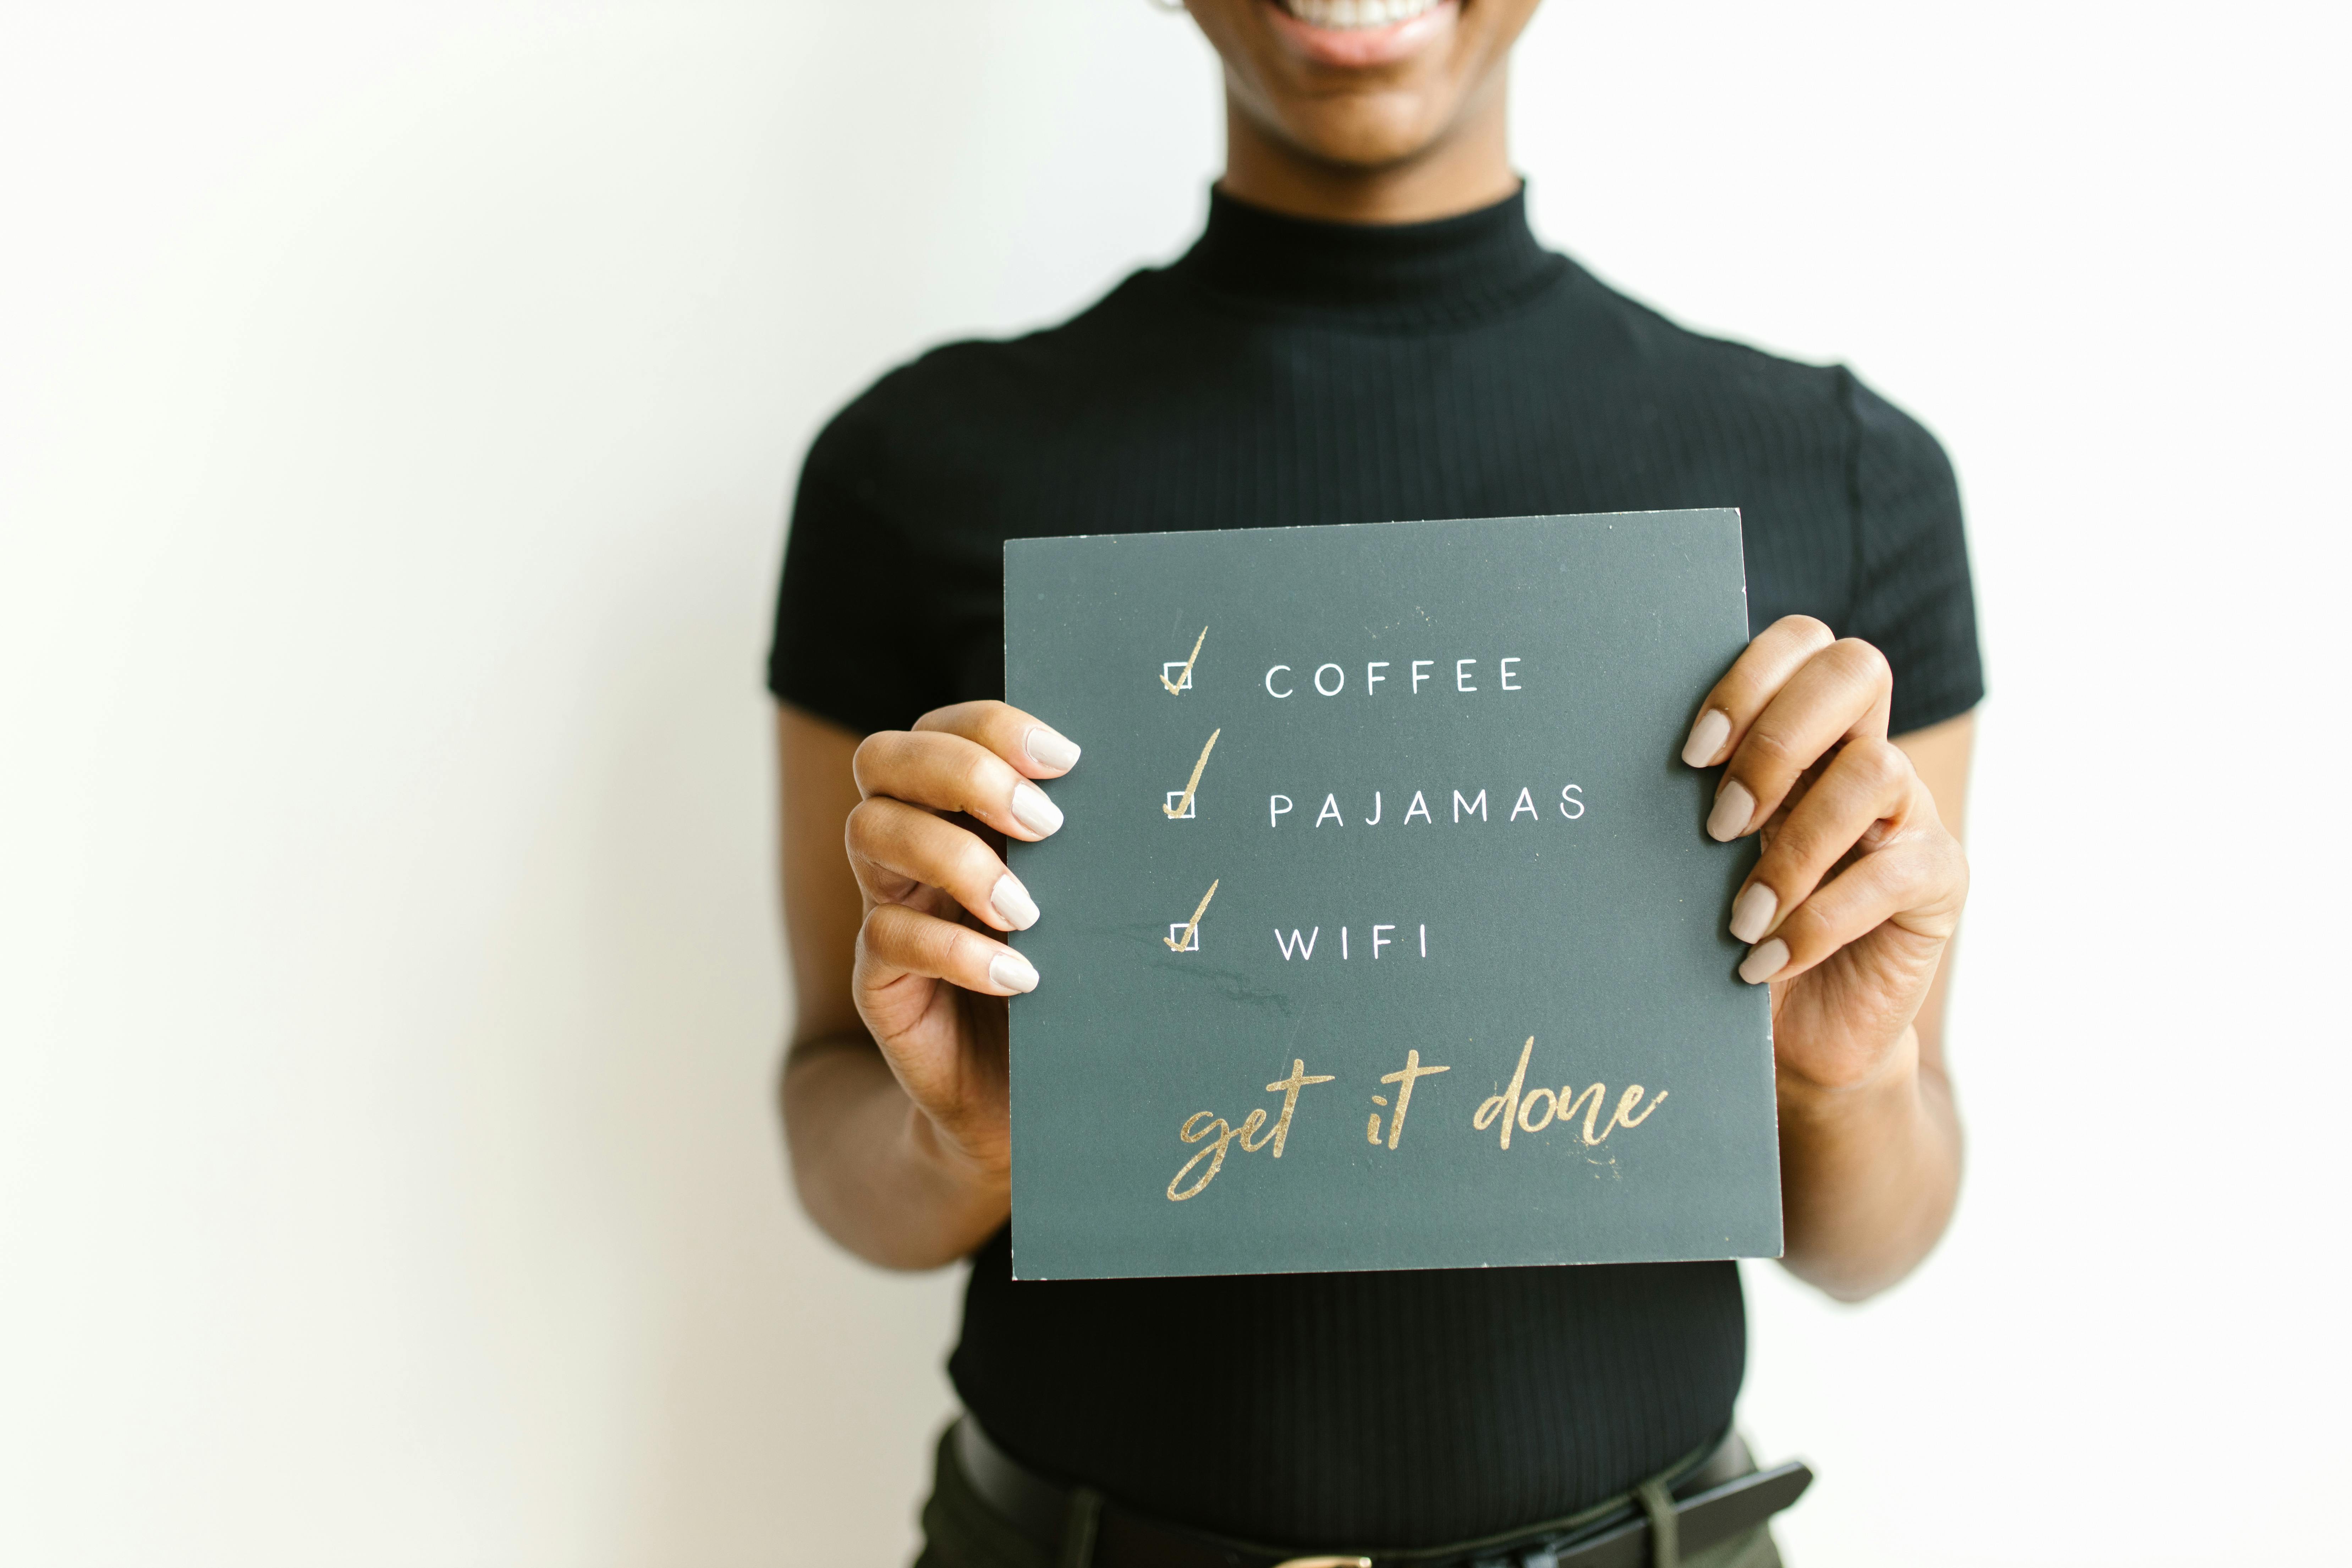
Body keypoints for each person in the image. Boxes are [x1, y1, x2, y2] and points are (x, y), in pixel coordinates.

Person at [768, 0, 1978, 1563]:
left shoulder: (1844, 472)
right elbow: (830, 1125)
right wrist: (969, 1144)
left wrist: (1842, 1081)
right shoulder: (911, 471)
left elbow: (1880, 1234)